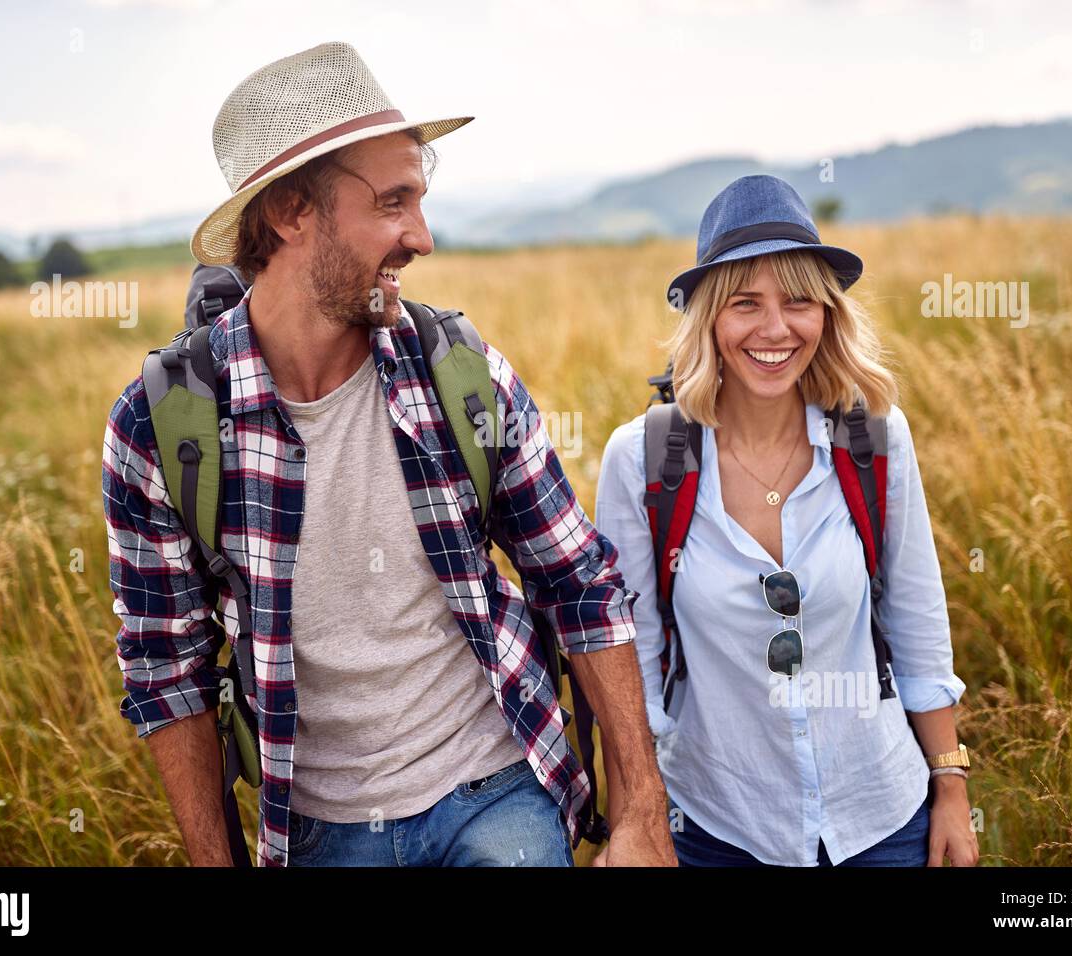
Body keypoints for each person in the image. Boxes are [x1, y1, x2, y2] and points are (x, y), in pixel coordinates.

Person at [101, 42, 676, 867]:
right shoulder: (161, 428)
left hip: (497, 791)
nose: (423, 237)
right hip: (317, 831)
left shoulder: (463, 378)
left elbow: (577, 582)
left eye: (420, 199)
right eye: (393, 202)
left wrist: (641, 812)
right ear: (291, 213)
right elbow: (166, 669)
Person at [594, 174, 979, 867]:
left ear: (827, 315)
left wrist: (949, 789)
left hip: (882, 820)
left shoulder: (877, 443)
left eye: (799, 302)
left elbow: (919, 625)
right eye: (745, 304)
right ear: (710, 319)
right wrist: (634, 824)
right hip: (716, 827)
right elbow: (635, 666)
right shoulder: (643, 460)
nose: (775, 329)